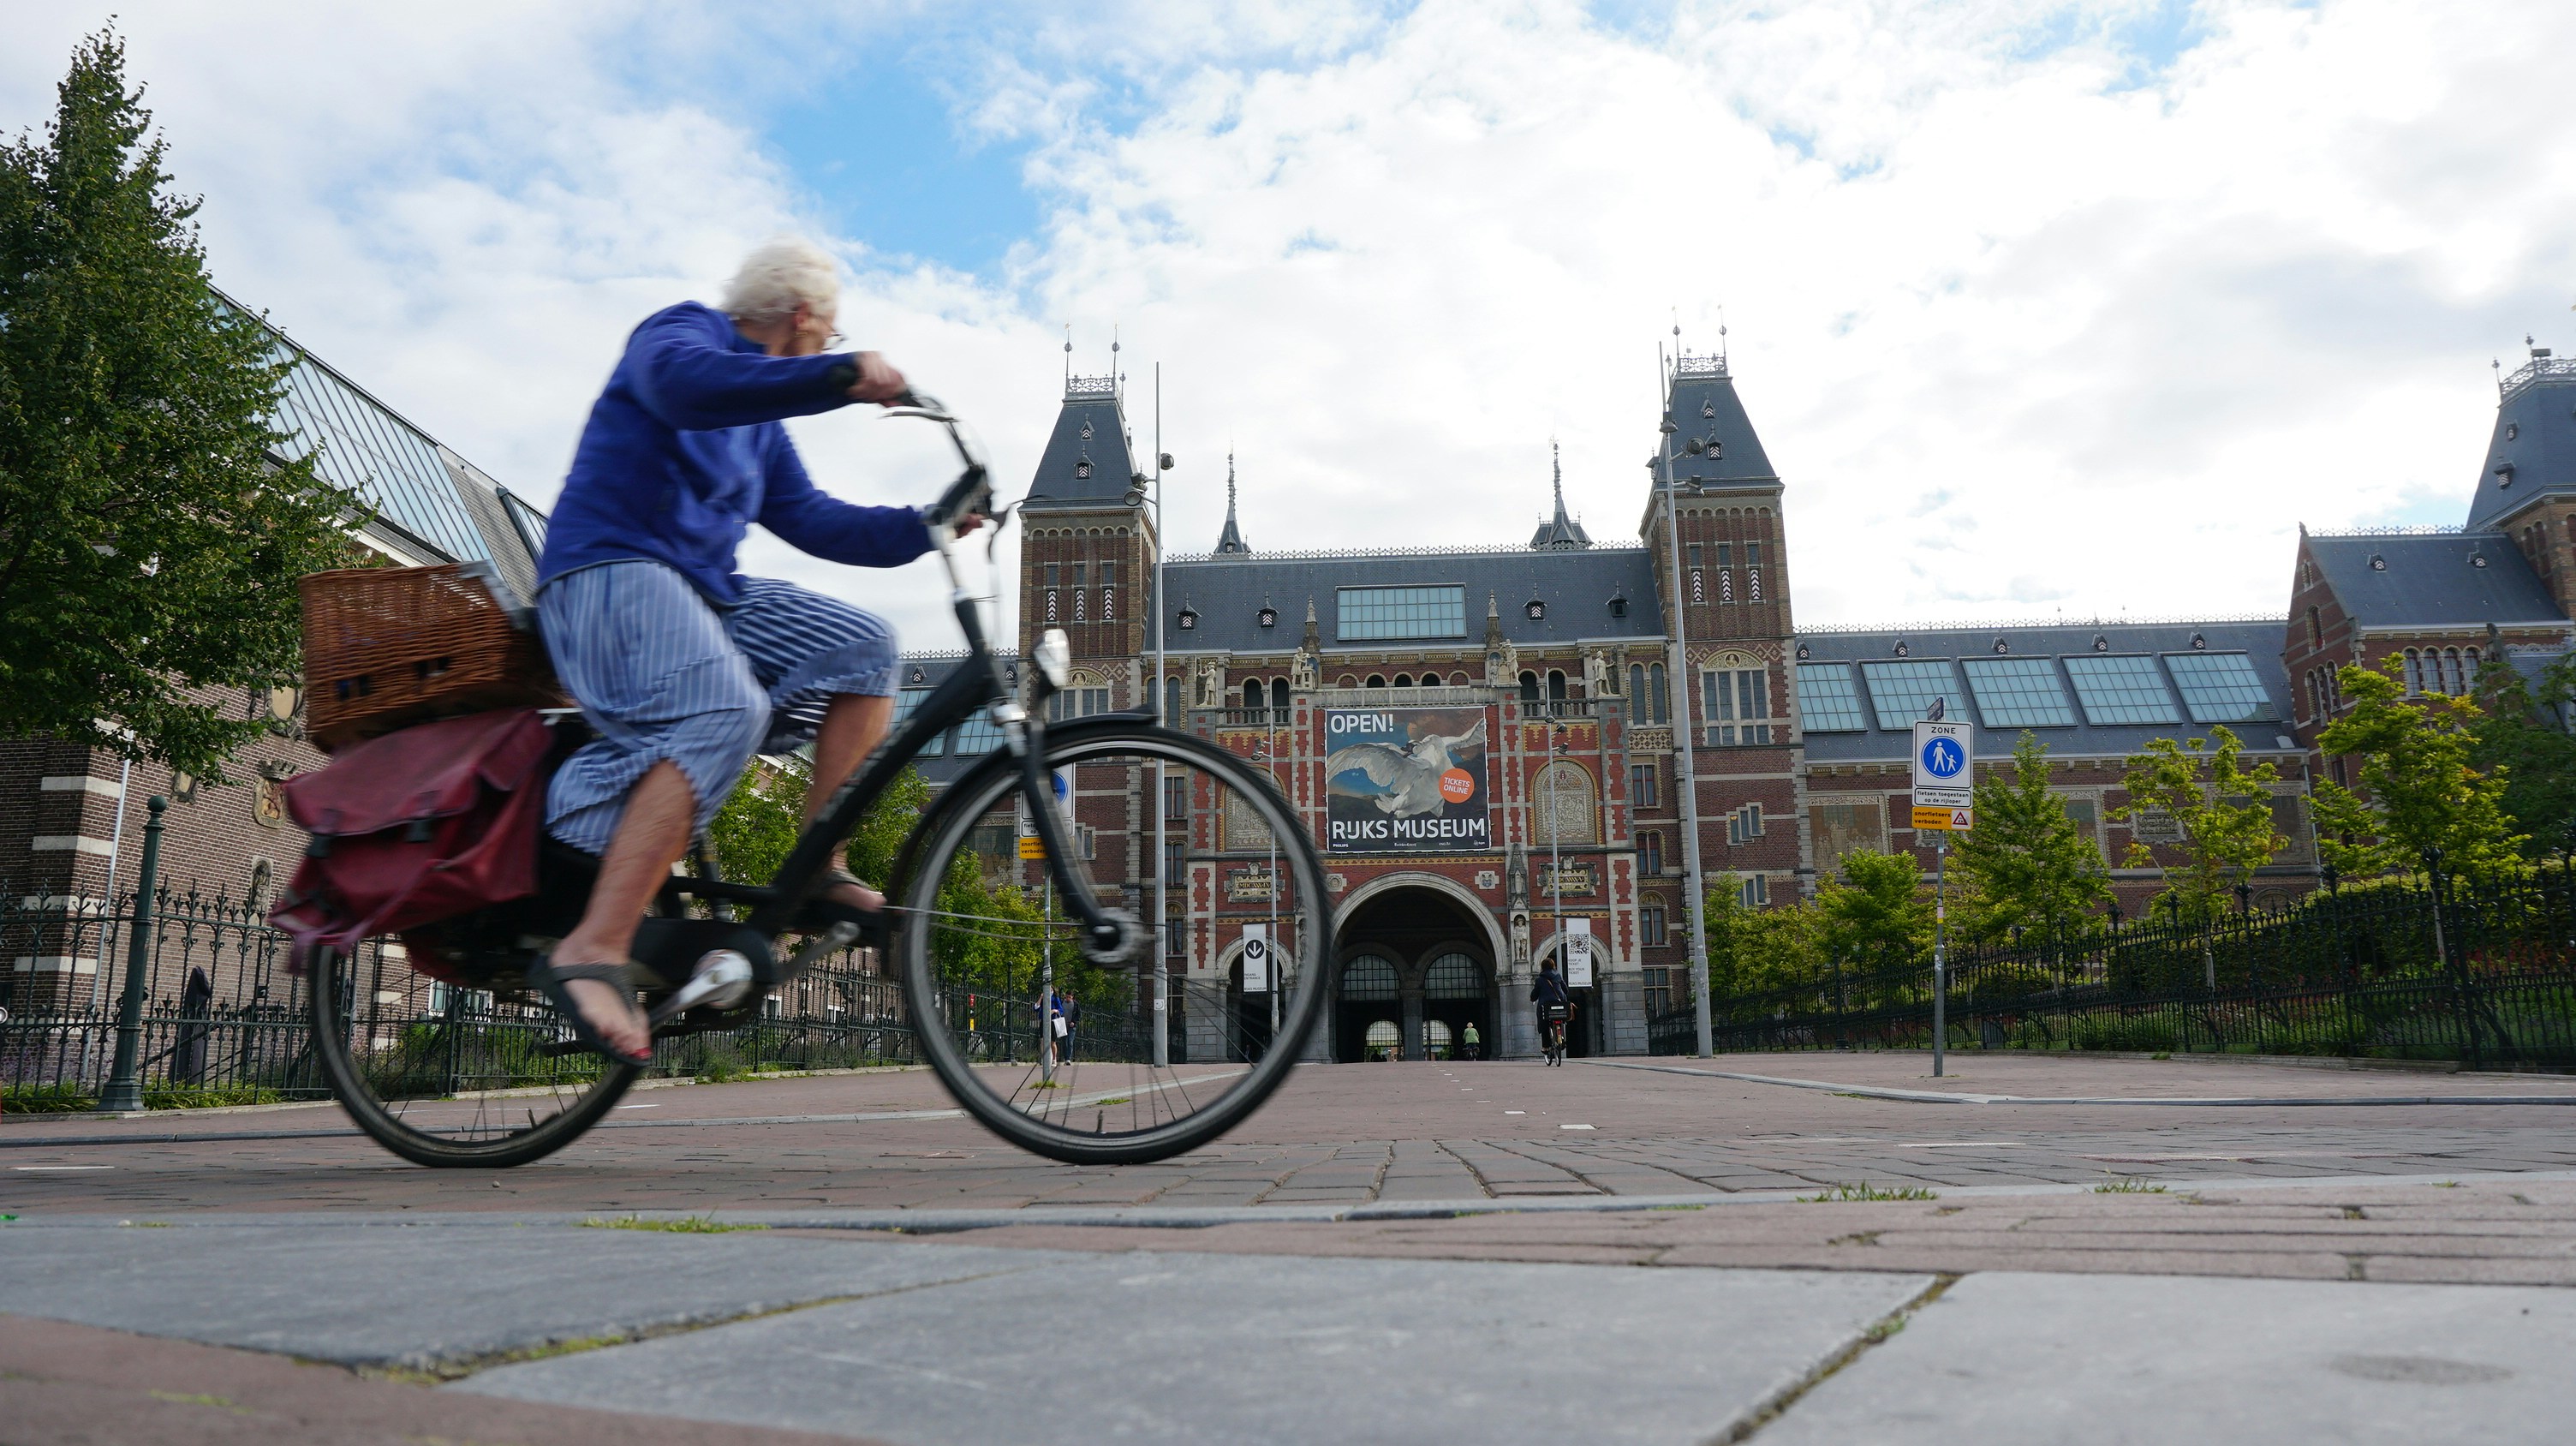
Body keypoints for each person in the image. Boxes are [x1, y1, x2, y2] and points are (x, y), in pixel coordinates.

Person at [528, 238, 981, 1064]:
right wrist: (838, 380)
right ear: (804, 317)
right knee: (727, 704)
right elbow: (686, 389)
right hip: (606, 573)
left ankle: (819, 862)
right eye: (829, 334)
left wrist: (924, 525)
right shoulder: (681, 335)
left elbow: (812, 518)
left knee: (869, 645)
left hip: (702, 596)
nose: (829, 346)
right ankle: (592, 944)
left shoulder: (762, 425)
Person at [1530, 959, 1571, 1065]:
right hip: (1559, 1002)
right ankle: (1561, 1038)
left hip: (1545, 1004)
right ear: (1553, 966)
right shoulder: (1557, 976)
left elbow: (1535, 994)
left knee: (1544, 1023)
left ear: (1542, 967)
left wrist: (1533, 998)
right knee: (1560, 1017)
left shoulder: (1540, 980)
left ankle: (1546, 1047)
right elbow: (1565, 989)